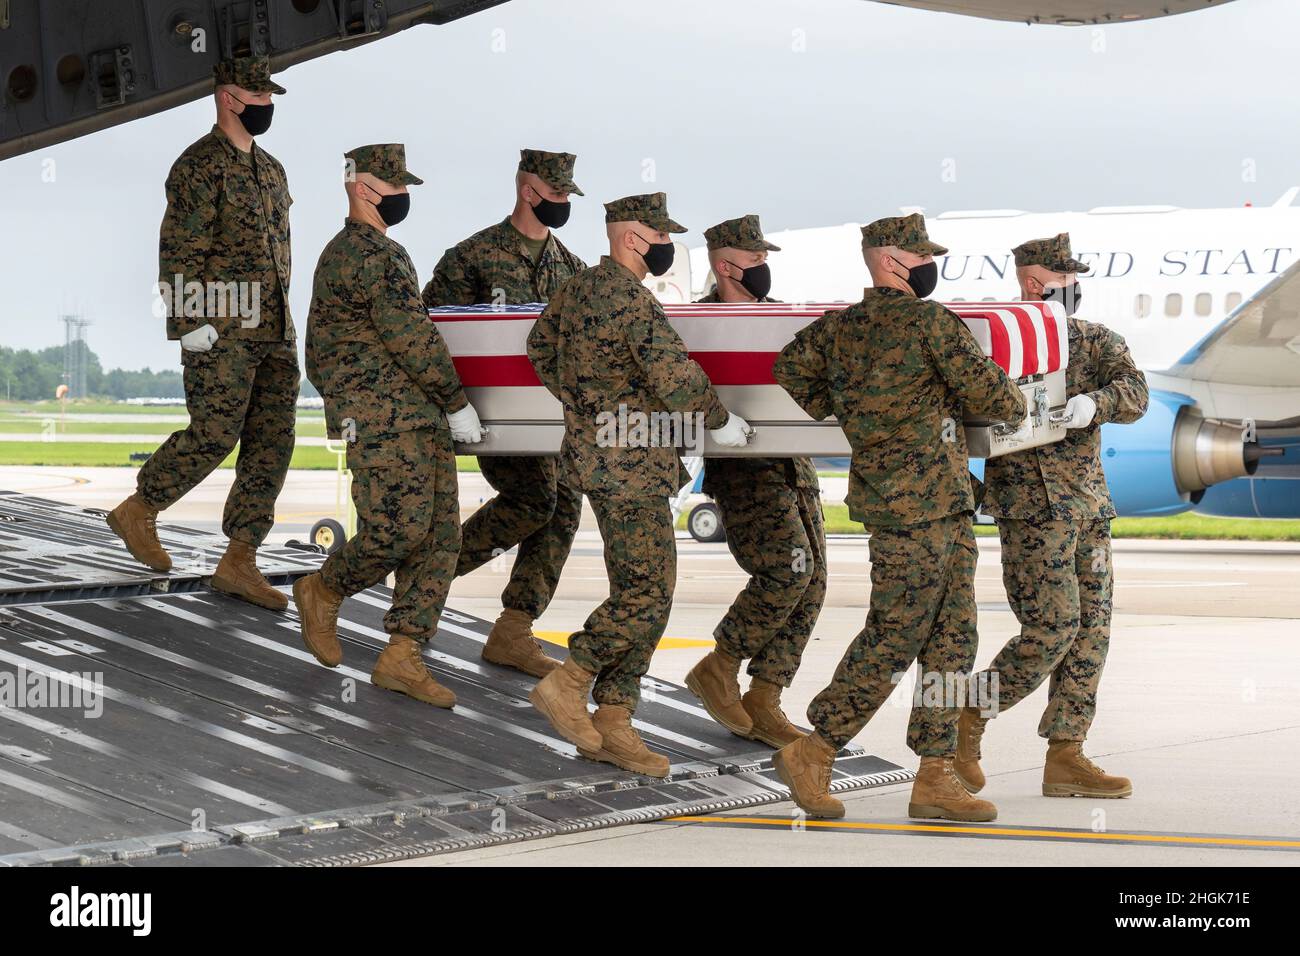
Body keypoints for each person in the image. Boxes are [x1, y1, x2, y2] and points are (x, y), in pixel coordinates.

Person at [772, 213, 1026, 820]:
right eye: (920, 256)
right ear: (892, 261)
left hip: (916, 500)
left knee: (953, 636)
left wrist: (853, 411)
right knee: (897, 633)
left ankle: (934, 773)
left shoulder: (836, 331)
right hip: (926, 504)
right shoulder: (928, 323)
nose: (929, 266)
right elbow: (1000, 399)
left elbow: (788, 370)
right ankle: (818, 745)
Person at [526, 192, 752, 775]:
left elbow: (538, 348)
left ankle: (615, 716)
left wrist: (587, 405)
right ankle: (570, 680)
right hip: (630, 467)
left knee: (647, 591)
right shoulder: (629, 301)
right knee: (647, 592)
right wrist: (721, 423)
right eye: (659, 238)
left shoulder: (574, 290)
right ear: (633, 239)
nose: (665, 249)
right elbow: (676, 379)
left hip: (606, 460)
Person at [954, 233, 1149, 799]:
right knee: (1051, 627)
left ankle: (1067, 754)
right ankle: (969, 711)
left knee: (1092, 631)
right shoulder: (1000, 342)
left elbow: (1136, 391)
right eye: (1065, 279)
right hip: (1030, 510)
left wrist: (1100, 402)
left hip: (1086, 505)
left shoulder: (1093, 341)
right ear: (1035, 283)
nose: (1074, 288)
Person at [294, 144, 485, 708]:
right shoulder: (362, 254)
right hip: (384, 422)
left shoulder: (383, 250)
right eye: (393, 185)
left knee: (440, 538)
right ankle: (323, 589)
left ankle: (403, 654)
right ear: (361, 186)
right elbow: (412, 337)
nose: (402, 196)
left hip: (416, 418)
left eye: (405, 186)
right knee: (398, 530)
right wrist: (455, 401)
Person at [107, 55, 295, 612]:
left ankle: (239, 559)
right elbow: (179, 248)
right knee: (214, 432)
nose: (266, 109)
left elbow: (280, 254)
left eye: (269, 100)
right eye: (257, 99)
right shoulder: (198, 166)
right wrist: (189, 322)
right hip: (222, 326)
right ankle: (139, 508)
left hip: (274, 331)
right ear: (228, 97)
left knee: (272, 444)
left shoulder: (273, 170)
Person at [421, 149, 587, 678]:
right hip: (492, 416)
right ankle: (429, 576)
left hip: (553, 420)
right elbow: (431, 333)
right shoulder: (471, 258)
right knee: (535, 499)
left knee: (562, 507)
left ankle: (513, 629)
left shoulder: (571, 267)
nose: (562, 204)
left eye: (567, 196)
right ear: (527, 191)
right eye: (555, 194)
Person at [685, 215, 826, 749]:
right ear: (725, 266)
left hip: (794, 462)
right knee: (785, 573)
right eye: (755, 260)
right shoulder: (696, 323)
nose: (765, 268)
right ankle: (718, 665)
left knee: (812, 583)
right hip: (744, 469)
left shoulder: (780, 318)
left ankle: (765, 695)